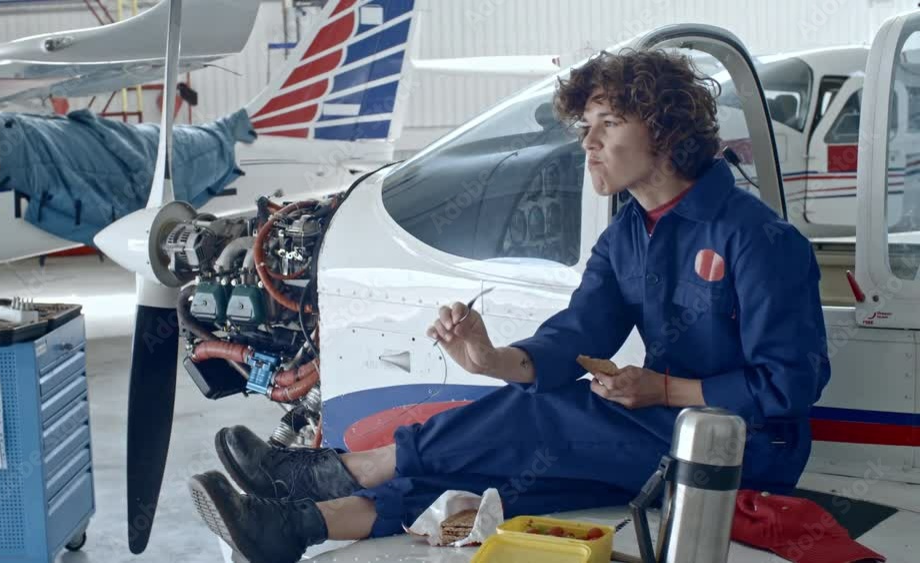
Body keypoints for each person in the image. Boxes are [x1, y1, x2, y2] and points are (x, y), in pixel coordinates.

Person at [188, 49, 831, 563]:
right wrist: (493, 357)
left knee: (544, 415)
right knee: (488, 473)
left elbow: (792, 385)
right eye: (587, 127)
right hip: (659, 433)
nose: (590, 144)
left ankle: (344, 469)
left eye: (609, 125)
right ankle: (298, 526)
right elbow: (577, 334)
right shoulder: (630, 233)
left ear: (664, 131)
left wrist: (664, 389)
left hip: (747, 449)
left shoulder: (757, 238)